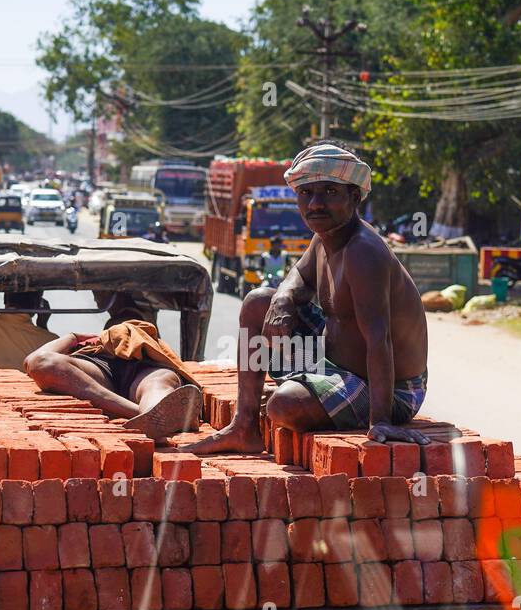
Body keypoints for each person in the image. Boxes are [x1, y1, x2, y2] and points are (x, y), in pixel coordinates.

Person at [182, 142, 430, 455]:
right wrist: (284, 298)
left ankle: (347, 405)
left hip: (390, 387)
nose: (314, 204)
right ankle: (244, 426)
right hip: (335, 361)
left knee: (284, 405)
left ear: (354, 197)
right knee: (260, 301)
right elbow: (298, 277)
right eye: (306, 193)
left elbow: (380, 340)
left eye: (329, 192)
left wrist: (380, 420)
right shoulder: (324, 237)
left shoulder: (362, 252)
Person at [24, 318, 201, 442]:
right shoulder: (90, 347)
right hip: (98, 370)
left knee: (157, 385)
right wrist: (74, 337)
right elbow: (33, 361)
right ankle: (146, 416)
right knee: (41, 363)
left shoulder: (155, 350)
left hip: (147, 368)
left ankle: (155, 412)